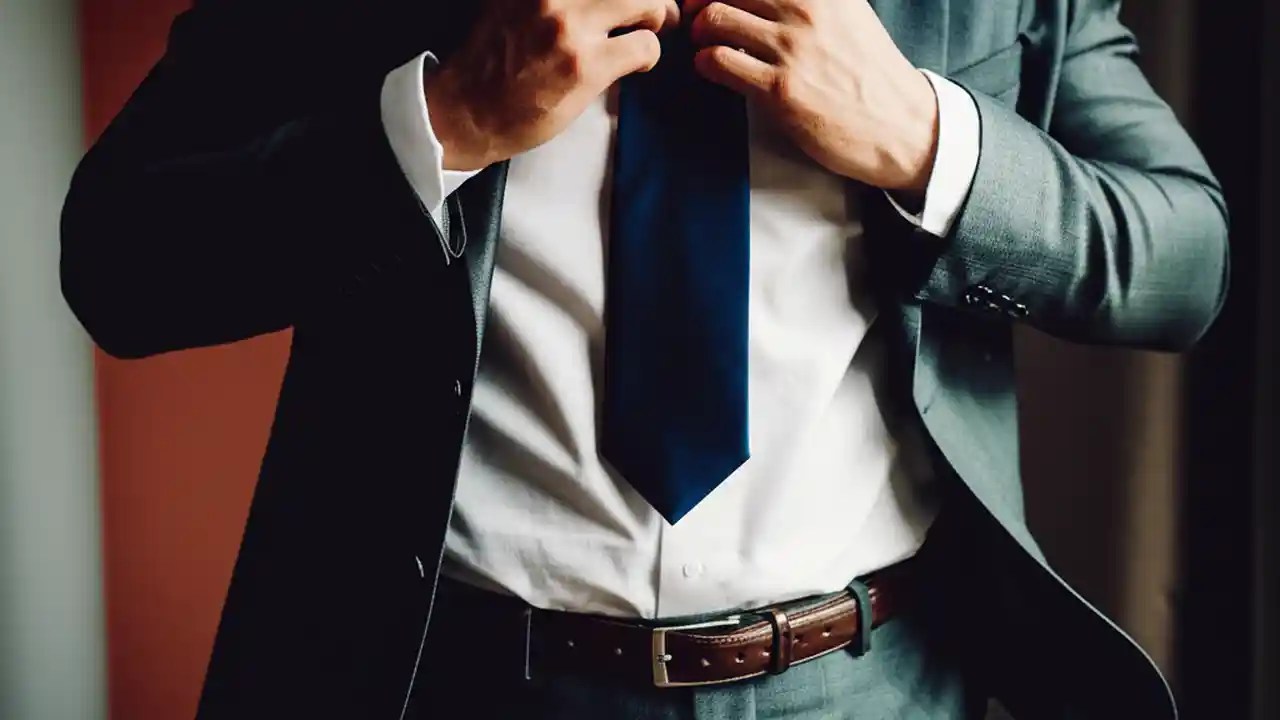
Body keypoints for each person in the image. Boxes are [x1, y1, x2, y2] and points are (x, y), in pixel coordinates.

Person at [60, 0, 1228, 717]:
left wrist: (925, 139)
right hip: (463, 684)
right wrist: (444, 122)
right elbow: (119, 261)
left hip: (873, 689)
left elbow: (1183, 260)